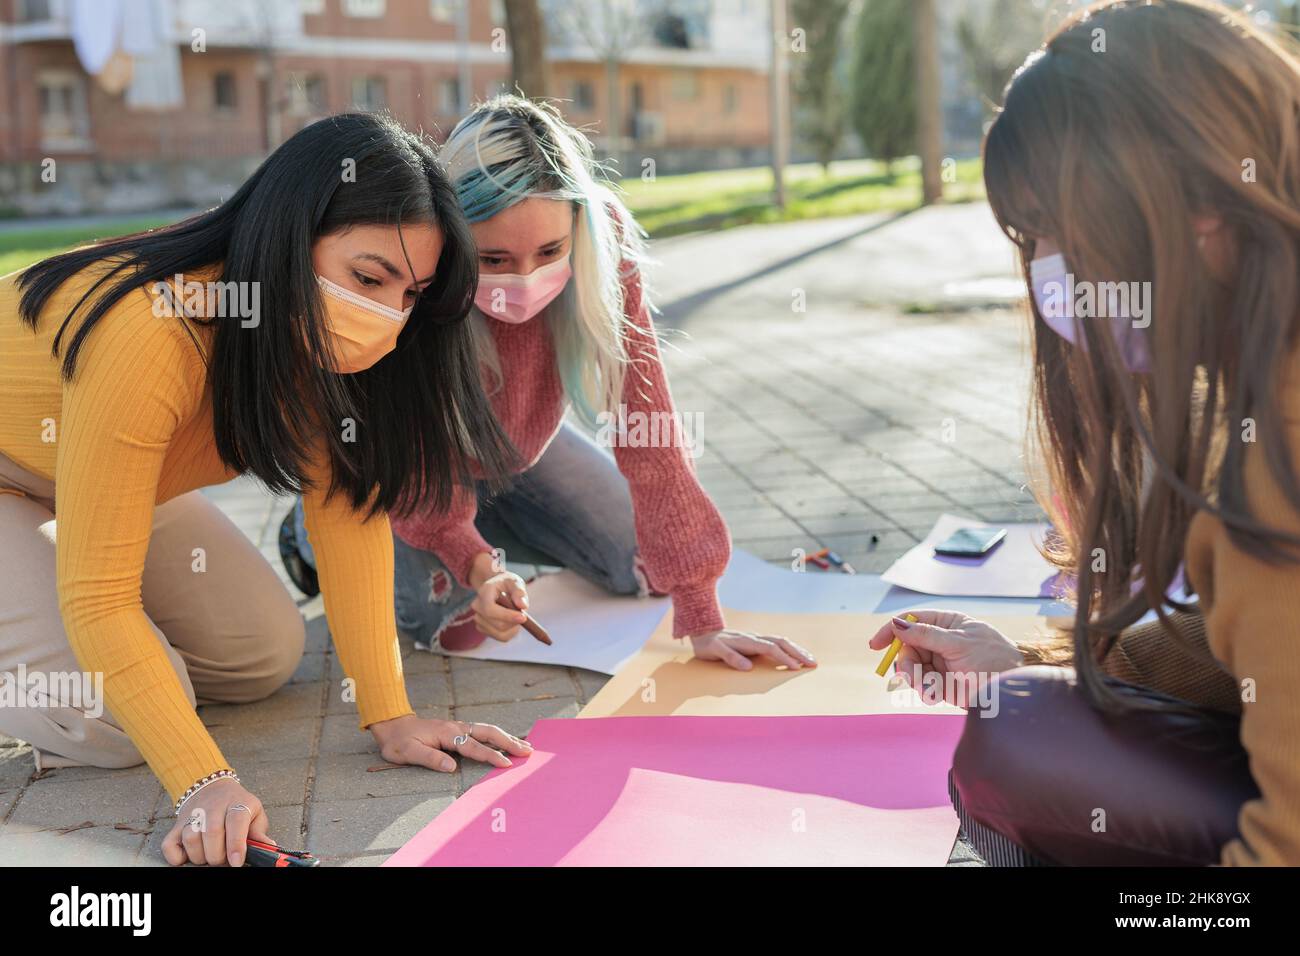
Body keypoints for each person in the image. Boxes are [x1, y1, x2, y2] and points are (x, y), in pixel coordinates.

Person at [0, 113, 531, 867]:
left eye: (410, 293)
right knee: (108, 721)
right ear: (289, 235)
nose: (386, 317)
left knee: (262, 656)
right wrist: (202, 781)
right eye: (367, 277)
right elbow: (99, 597)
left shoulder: (306, 334)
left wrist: (390, 713)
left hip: (92, 471)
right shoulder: (151, 332)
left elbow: (347, 516)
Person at [868, 0, 1300, 866]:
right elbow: (1241, 653)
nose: (1046, 269)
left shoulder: (1273, 472)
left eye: (1059, 226)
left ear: (1200, 203)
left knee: (1018, 745)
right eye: (1032, 237)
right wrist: (1035, 659)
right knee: (1026, 713)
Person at [282, 96, 816, 672]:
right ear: (451, 240)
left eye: (549, 251)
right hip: (406, 458)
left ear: (578, 226)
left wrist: (701, 612)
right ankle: (311, 532)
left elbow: (648, 423)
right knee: (464, 627)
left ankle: (486, 517)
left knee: (645, 569)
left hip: (518, 448)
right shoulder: (415, 256)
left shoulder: (603, 241)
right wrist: (478, 564)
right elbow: (411, 448)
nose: (525, 278)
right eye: (493, 258)